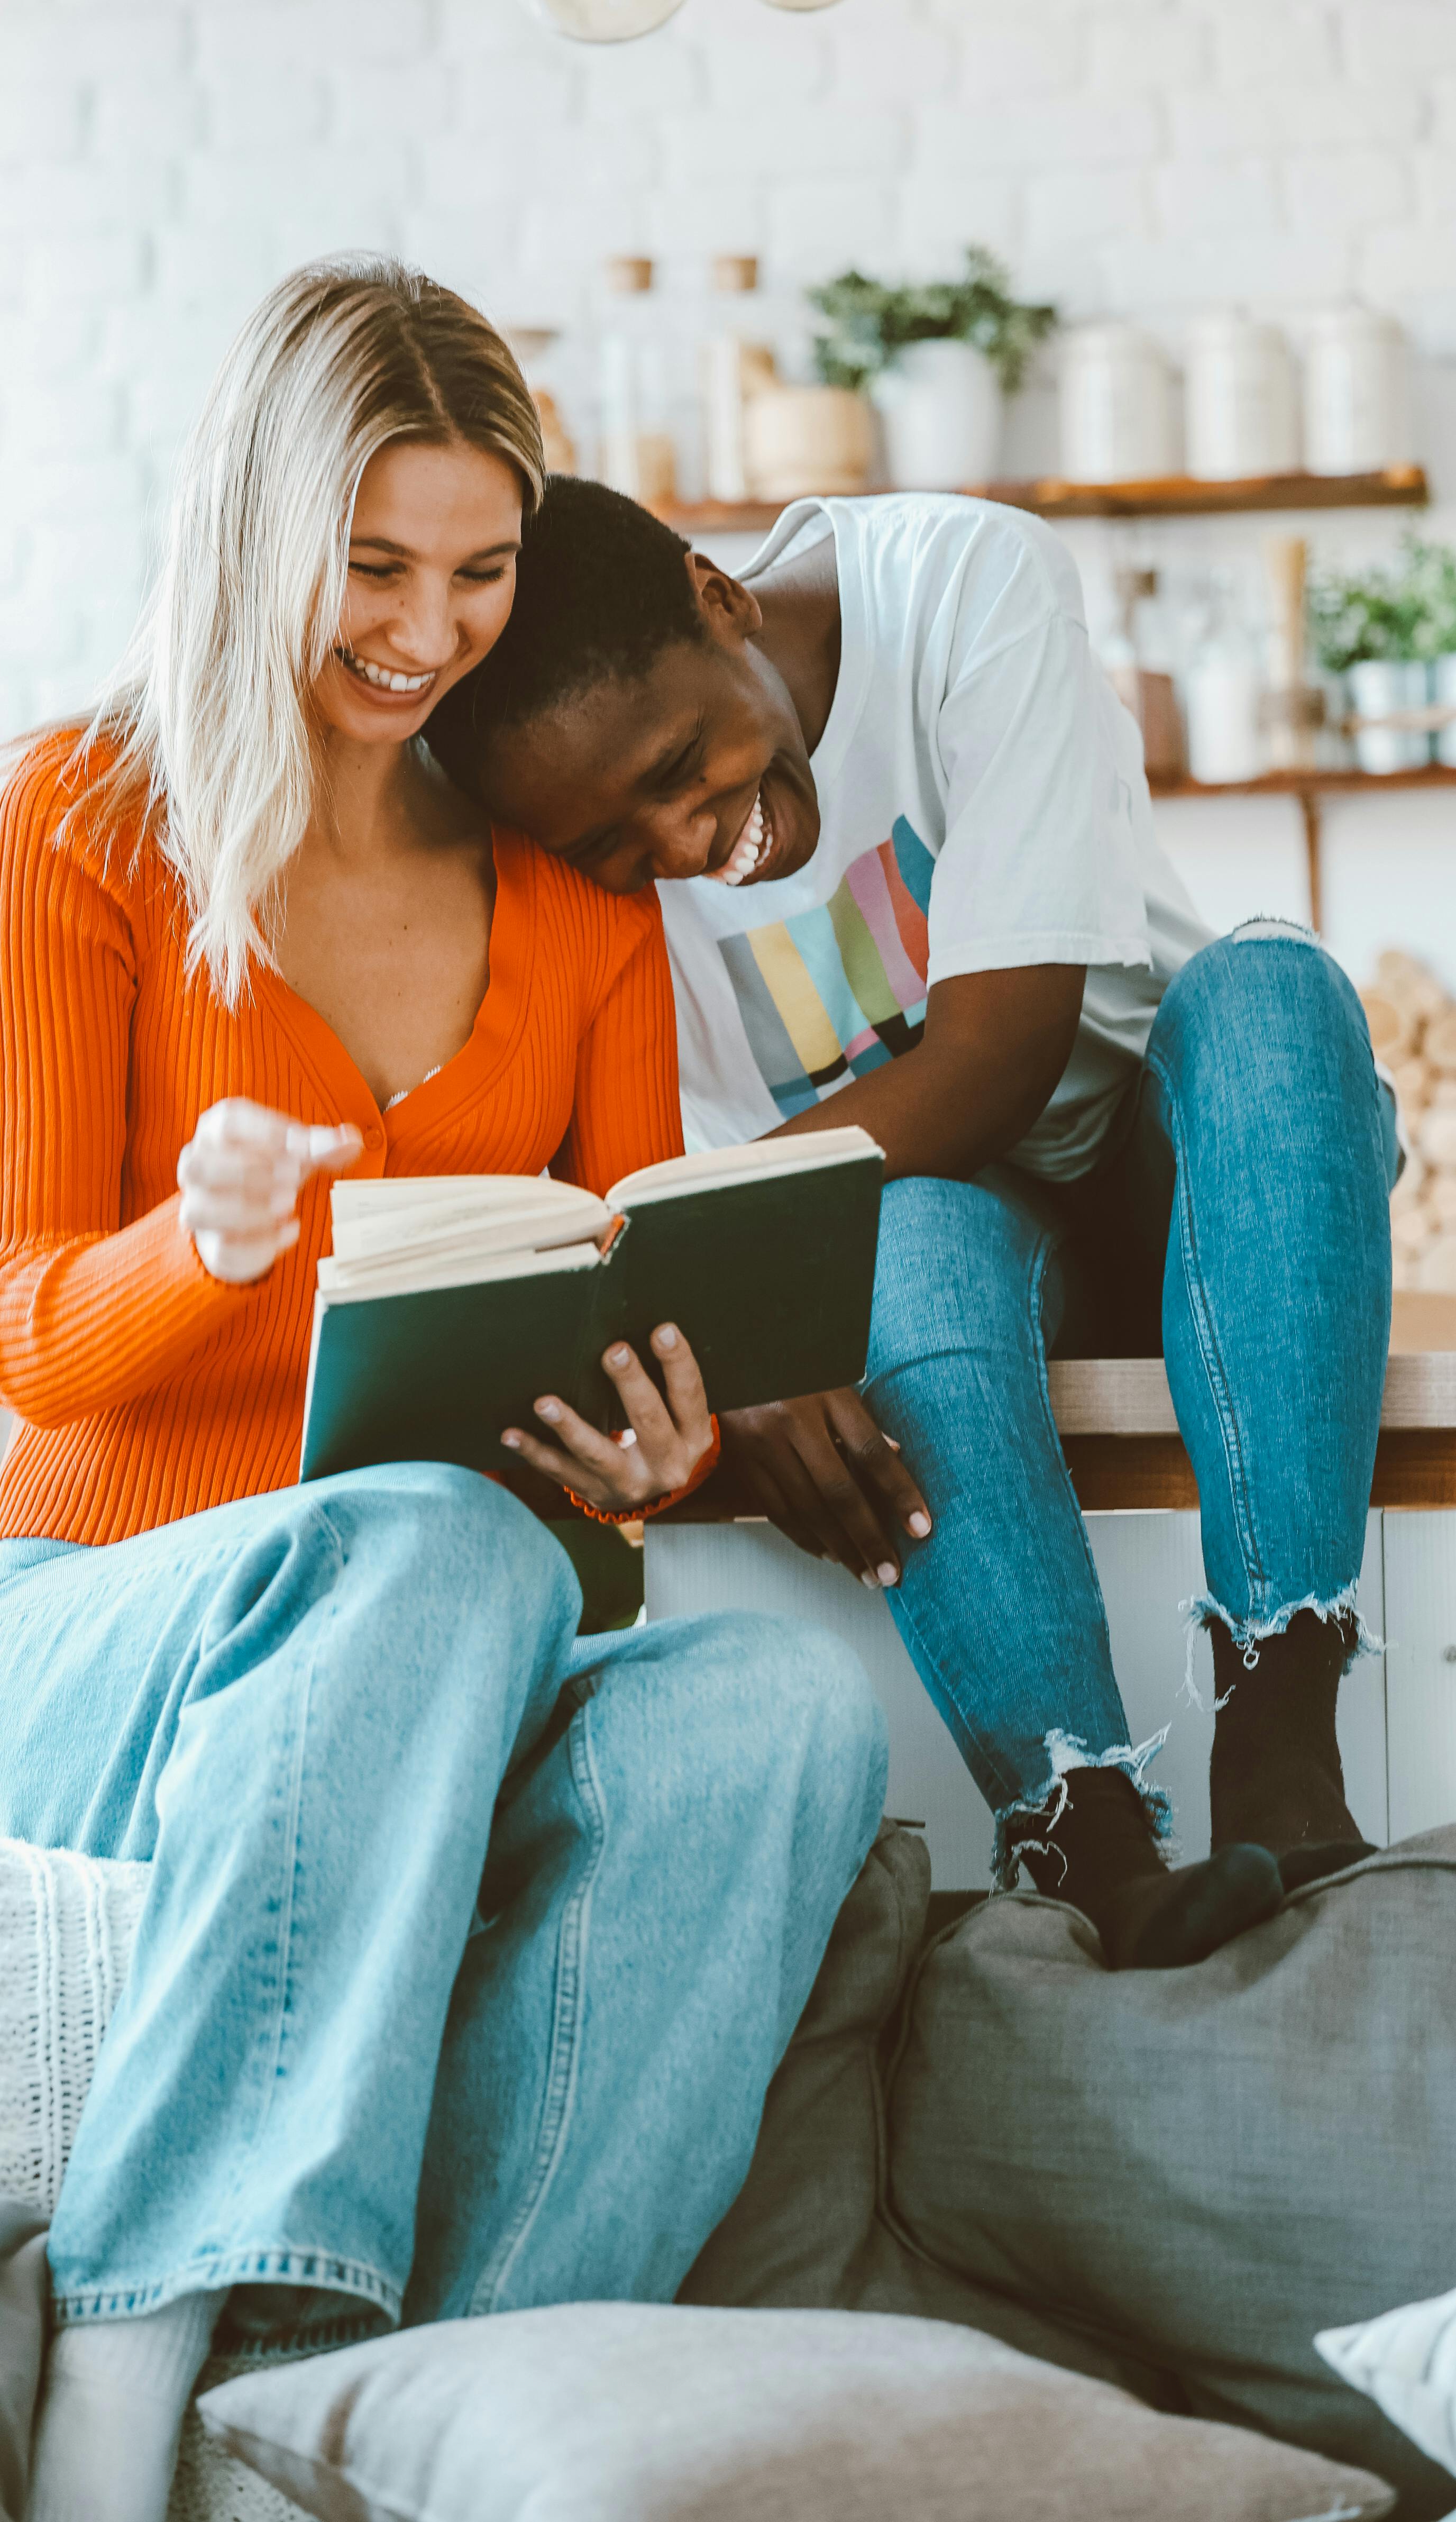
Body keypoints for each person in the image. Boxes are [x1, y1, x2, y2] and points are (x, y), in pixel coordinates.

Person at [0, 271, 887, 2522]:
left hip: (451, 1633)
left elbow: (617, 1271)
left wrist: (659, 1446)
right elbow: (10, 1330)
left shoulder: (568, 896)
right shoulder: (81, 827)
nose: (427, 629)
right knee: (434, 1540)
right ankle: (151, 2341)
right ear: (263, 530)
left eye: (477, 572)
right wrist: (211, 1244)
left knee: (784, 1717)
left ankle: (427, 2418)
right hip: (109, 1633)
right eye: (377, 567)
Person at [426, 474, 1397, 1973]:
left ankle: (1279, 1723)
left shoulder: (959, 582)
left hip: (1189, 1195)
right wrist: (724, 1304)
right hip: (945, 1257)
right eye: (625, 845)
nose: (689, 839)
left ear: (719, 597)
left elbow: (1002, 1053)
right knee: (912, 1231)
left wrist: (703, 1254)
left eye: (685, 760)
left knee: (1273, 988)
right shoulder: (576, 868)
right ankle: (1084, 1830)